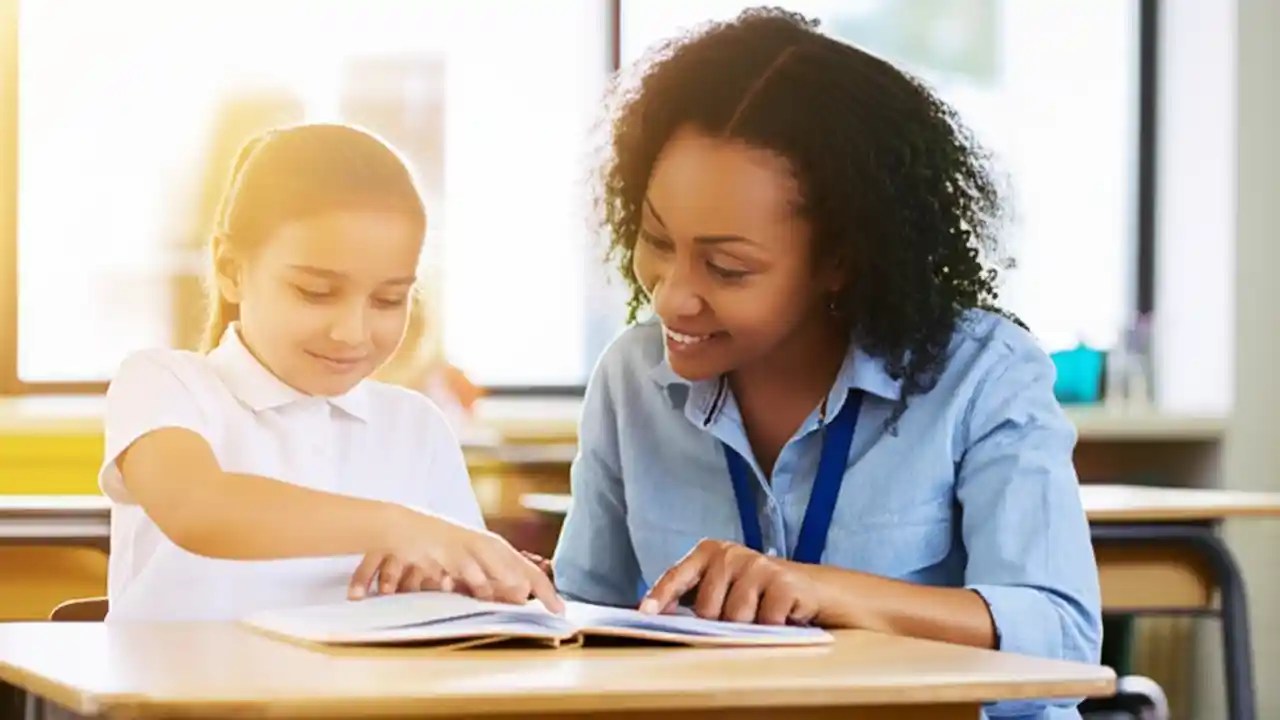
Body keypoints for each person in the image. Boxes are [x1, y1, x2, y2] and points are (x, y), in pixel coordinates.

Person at [553, 9, 1100, 719]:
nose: (671, 296)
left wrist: (826, 591)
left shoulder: (982, 374)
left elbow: (1063, 642)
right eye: (657, 241)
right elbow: (582, 624)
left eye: (727, 267)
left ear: (840, 259)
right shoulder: (631, 380)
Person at [99, 123, 559, 621]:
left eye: (388, 300)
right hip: (181, 675)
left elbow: (456, 592)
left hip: (354, 678)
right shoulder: (163, 383)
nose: (351, 332)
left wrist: (451, 584)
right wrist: (401, 526)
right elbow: (198, 508)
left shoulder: (417, 425)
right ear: (231, 269)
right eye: (315, 293)